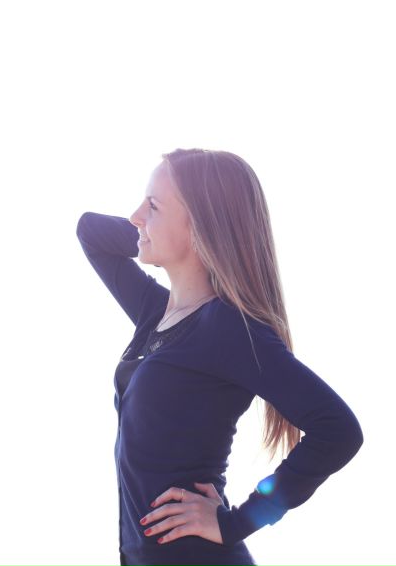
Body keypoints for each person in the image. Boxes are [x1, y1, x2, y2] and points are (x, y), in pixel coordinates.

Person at [76, 148, 364, 566]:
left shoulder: (228, 329)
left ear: (200, 225)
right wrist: (150, 233)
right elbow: (90, 231)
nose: (136, 216)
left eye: (153, 205)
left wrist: (237, 523)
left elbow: (339, 430)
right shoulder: (156, 312)